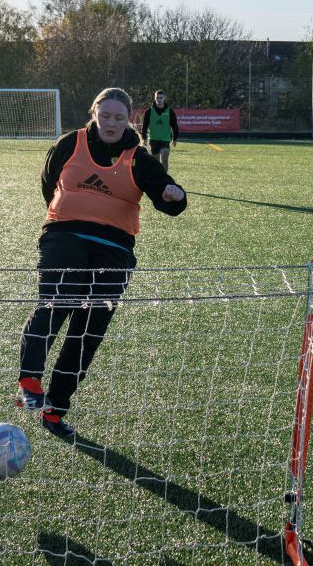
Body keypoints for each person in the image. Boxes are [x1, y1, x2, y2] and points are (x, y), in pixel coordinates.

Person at [17, 86, 188, 441]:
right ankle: (29, 380)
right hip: (64, 236)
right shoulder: (70, 143)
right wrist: (69, 215)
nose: (111, 123)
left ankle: (55, 409)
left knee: (88, 330)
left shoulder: (139, 158)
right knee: (57, 300)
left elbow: (166, 194)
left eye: (119, 118)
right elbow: (48, 183)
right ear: (94, 113)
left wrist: (175, 196)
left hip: (114, 248)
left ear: (129, 120)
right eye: (105, 115)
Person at [140, 89, 181, 171]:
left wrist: (175, 138)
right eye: (157, 98)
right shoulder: (149, 111)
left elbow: (174, 126)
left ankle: (164, 176)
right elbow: (145, 125)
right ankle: (157, 176)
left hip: (165, 139)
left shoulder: (170, 111)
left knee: (165, 157)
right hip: (153, 139)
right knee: (155, 162)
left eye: (161, 98)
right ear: (154, 98)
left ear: (164, 98)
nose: (159, 100)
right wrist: (144, 137)